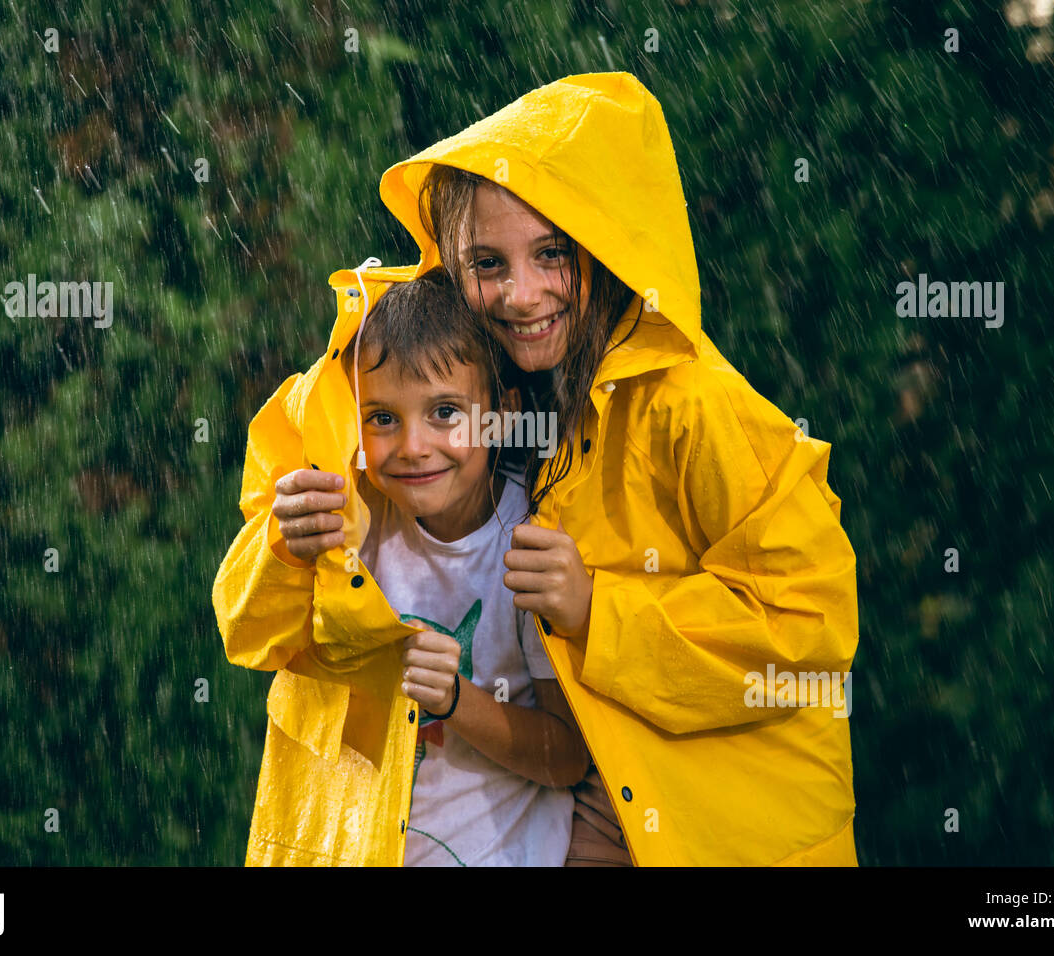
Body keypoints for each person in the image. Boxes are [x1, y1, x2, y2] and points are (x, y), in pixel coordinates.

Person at [274, 72, 861, 865]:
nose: (522, 294)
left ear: (610, 247)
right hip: (597, 802)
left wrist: (596, 608)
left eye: (552, 253)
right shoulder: (506, 388)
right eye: (487, 262)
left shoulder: (695, 405)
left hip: (725, 822)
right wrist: (332, 497)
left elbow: (810, 631)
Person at [214, 267, 587, 866]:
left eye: (444, 412)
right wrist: (281, 546)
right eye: (382, 418)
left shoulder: (530, 548)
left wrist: (457, 701)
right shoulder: (353, 519)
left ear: (503, 412)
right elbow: (246, 633)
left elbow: (567, 757)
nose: (412, 445)